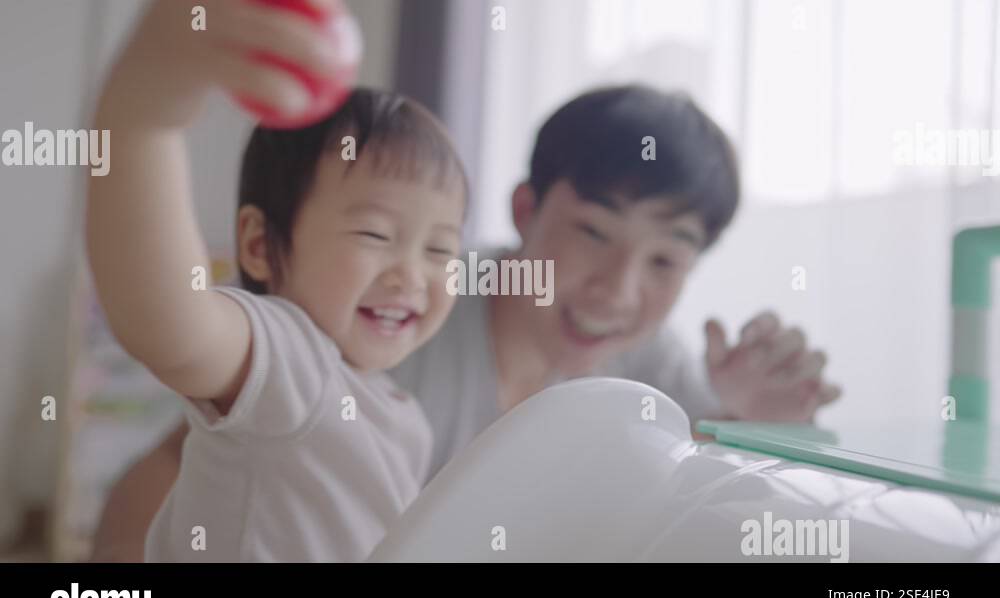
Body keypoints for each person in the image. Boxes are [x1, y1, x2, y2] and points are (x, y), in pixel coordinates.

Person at [90, 81, 841, 561]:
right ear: (525, 211)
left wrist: (752, 425)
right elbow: (177, 457)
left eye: (665, 262)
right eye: (593, 233)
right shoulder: (390, 318)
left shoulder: (654, 365)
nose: (618, 289)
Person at [86, 0, 467, 561]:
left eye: (440, 249)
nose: (412, 273)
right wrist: (143, 115)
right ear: (261, 246)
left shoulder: (399, 411)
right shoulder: (290, 362)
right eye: (375, 235)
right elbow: (167, 319)